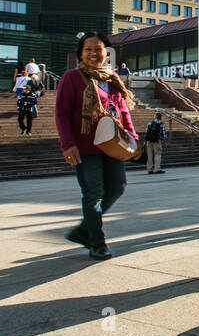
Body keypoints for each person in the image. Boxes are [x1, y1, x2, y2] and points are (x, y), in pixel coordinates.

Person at [55, 32, 140, 259]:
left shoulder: (111, 79)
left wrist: (134, 139)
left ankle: (84, 229)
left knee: (118, 187)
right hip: (85, 147)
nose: (94, 53)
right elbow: (61, 114)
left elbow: (122, 112)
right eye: (88, 49)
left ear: (106, 52)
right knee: (93, 194)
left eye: (98, 49)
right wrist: (68, 144)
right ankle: (97, 242)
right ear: (81, 54)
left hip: (112, 145)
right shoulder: (71, 78)